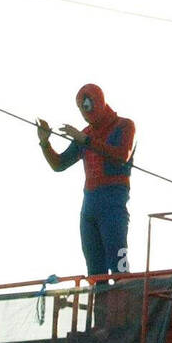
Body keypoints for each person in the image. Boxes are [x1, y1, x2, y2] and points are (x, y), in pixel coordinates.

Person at [37, 84, 137, 284]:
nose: (86, 113)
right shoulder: (85, 134)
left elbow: (121, 156)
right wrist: (45, 143)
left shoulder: (124, 125)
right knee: (94, 272)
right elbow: (59, 164)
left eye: (89, 106)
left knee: (119, 267)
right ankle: (102, 313)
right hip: (89, 206)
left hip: (113, 204)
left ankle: (125, 309)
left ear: (100, 103)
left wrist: (85, 140)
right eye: (82, 109)